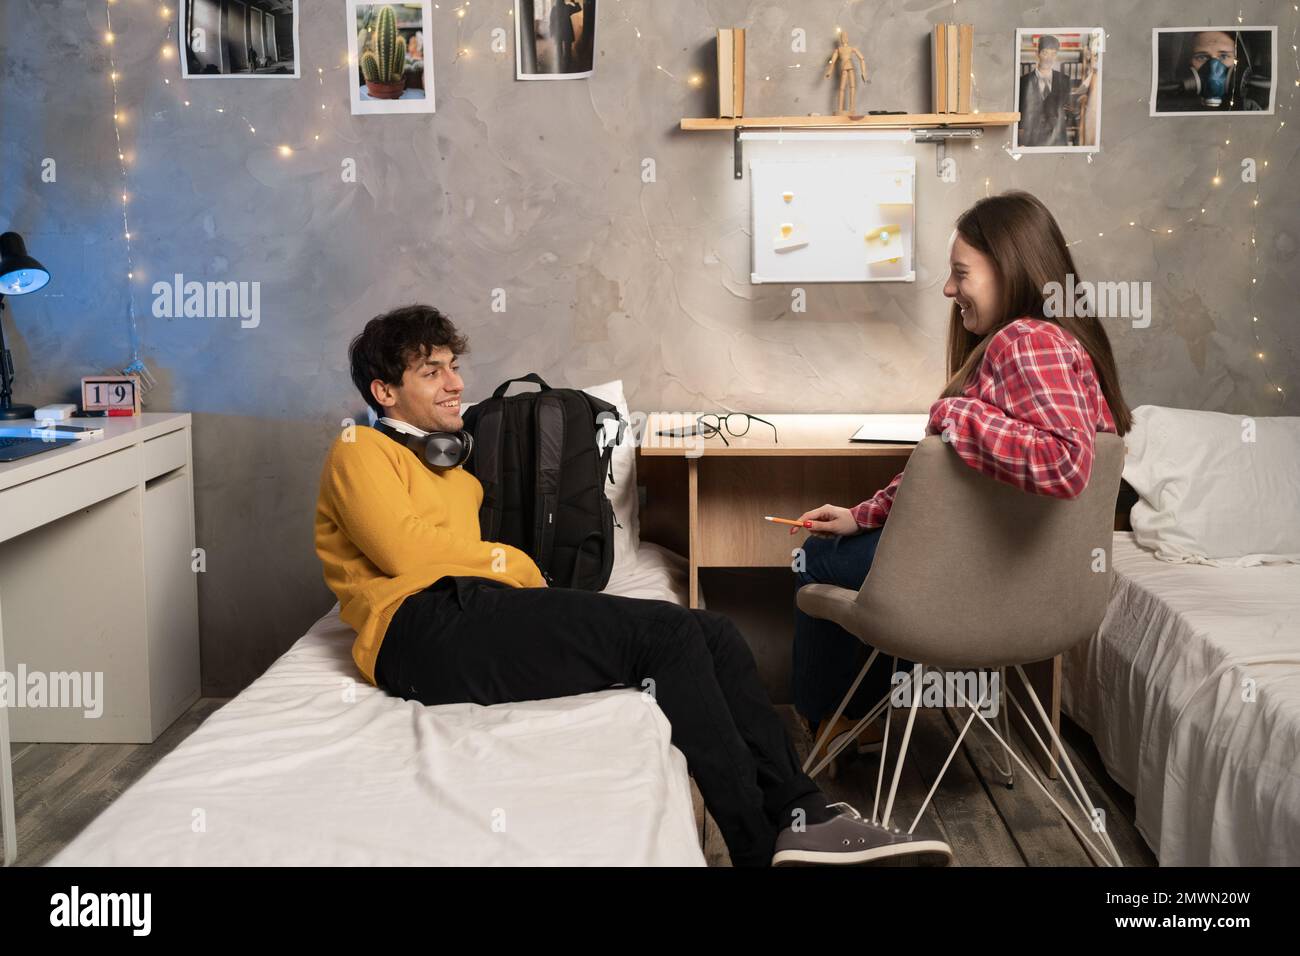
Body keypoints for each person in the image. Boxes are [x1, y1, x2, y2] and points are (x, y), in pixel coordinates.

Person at [314, 304, 953, 867]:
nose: (455, 383)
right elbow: (407, 554)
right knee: (668, 640)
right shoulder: (359, 452)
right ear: (384, 391)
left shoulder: (455, 469)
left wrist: (500, 566)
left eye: (453, 365)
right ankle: (759, 849)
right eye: (432, 371)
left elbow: (469, 559)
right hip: (415, 632)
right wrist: (506, 562)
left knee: (715, 632)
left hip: (477, 612)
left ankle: (805, 813)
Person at [790, 190, 1132, 770]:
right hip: (1032, 589)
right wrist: (863, 514)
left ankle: (836, 720)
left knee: (815, 561)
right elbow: (949, 485)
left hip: (981, 574)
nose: (949, 290)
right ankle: (862, 714)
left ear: (1011, 266)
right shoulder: (1060, 342)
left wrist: (956, 414)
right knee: (859, 551)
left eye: (961, 274)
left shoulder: (1027, 340)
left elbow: (1065, 461)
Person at [1017, 34, 1070, 147]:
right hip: (1032, 143)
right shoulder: (1023, 82)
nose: (1048, 58)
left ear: (1056, 56)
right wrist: (1021, 143)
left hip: (1058, 141)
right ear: (1037, 54)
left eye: (1053, 54)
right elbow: (1020, 115)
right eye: (1045, 53)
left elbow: (1067, 111)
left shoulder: (1065, 80)